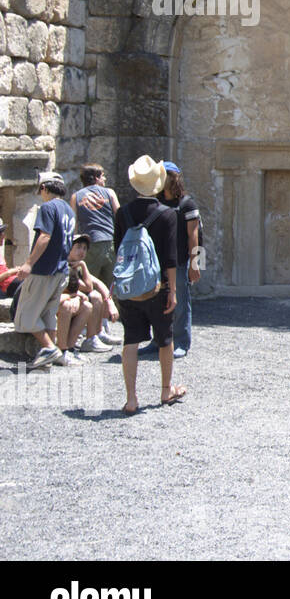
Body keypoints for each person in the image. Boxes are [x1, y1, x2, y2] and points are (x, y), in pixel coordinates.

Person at [115, 155, 184, 414]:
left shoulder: (123, 213)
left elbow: (118, 250)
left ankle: (131, 398)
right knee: (165, 340)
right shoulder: (166, 214)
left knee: (130, 340)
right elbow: (170, 258)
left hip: (130, 286)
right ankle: (166, 390)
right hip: (157, 286)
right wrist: (173, 291)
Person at [11, 172, 79, 369]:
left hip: (44, 270)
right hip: (60, 270)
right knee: (48, 314)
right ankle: (49, 358)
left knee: (24, 317)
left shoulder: (48, 207)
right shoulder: (68, 210)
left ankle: (50, 348)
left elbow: (44, 237)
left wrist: (29, 264)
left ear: (44, 188)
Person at [141, 162, 200, 359]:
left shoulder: (187, 204)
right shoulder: (155, 202)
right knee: (157, 303)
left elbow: (194, 236)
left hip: (181, 262)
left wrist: (196, 264)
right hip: (157, 262)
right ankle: (158, 341)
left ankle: (181, 342)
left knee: (181, 303)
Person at [71, 162, 121, 345]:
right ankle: (102, 327)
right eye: (103, 176)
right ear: (97, 177)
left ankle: (88, 327)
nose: (105, 179)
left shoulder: (76, 196)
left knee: (89, 285)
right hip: (108, 242)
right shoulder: (109, 193)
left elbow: (73, 224)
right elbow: (119, 215)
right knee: (107, 286)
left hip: (88, 245)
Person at [55, 234, 118, 353]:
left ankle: (95, 335)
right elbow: (88, 287)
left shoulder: (78, 266)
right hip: (62, 303)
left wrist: (110, 303)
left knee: (95, 296)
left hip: (75, 303)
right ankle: (67, 348)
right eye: (78, 247)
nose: (82, 251)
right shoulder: (64, 265)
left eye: (84, 248)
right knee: (92, 298)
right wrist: (83, 266)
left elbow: (99, 284)